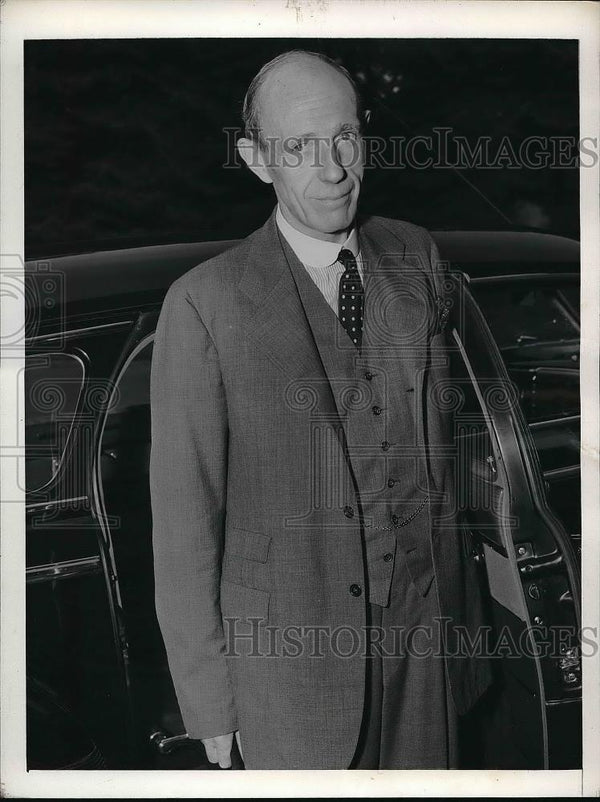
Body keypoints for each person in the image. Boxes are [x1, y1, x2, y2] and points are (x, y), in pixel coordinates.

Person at [150, 50, 492, 770]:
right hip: (290, 668)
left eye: (344, 137)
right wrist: (211, 704)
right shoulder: (204, 303)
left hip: (428, 640)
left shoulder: (415, 254)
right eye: (299, 148)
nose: (332, 169)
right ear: (256, 159)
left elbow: (449, 442)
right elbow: (184, 524)